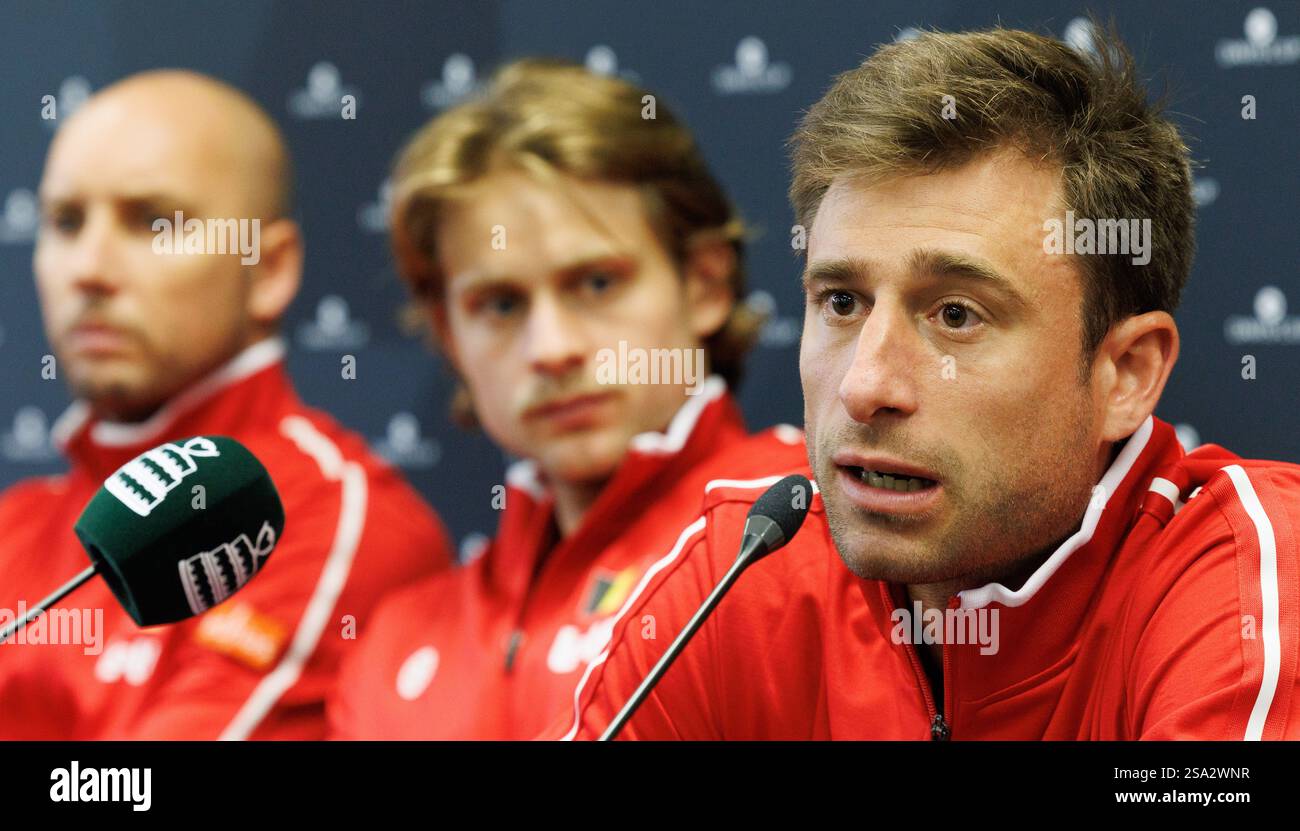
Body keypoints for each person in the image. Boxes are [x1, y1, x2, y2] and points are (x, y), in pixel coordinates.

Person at [554, 25, 1300, 740]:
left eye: (955, 313)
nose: (865, 385)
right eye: (841, 302)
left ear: (1125, 374)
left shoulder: (1242, 579)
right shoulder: (746, 579)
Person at [328, 60, 805, 739]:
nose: (551, 348)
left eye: (596, 283)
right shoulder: (394, 643)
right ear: (448, 336)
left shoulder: (820, 535)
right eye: (499, 303)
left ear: (704, 284)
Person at [0, 70, 453, 740]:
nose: (87, 269)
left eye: (154, 221)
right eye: (66, 222)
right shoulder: (17, 526)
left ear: (268, 270)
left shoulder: (331, 517)